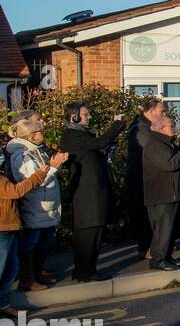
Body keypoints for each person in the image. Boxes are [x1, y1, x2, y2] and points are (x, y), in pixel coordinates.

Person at [59, 102, 127, 282]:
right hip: (87, 194)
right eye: (85, 114)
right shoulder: (74, 135)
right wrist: (116, 125)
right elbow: (98, 143)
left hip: (92, 191)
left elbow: (98, 145)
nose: (88, 117)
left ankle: (88, 269)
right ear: (74, 117)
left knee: (94, 232)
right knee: (88, 234)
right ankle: (84, 271)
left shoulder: (79, 134)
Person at [5, 117, 68, 288]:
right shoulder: (21, 155)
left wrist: (57, 164)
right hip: (35, 206)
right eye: (39, 131)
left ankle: (38, 274)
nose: (43, 133)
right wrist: (54, 168)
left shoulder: (37, 150)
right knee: (31, 243)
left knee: (44, 242)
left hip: (46, 204)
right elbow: (32, 181)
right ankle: (28, 279)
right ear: (31, 136)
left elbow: (46, 172)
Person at [1, 146, 64, 314]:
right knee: (3, 268)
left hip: (8, 226)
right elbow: (15, 191)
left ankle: (4, 304)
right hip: (2, 229)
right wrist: (40, 174)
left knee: (10, 268)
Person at [142, 116, 180, 270]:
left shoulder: (164, 144)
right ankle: (158, 260)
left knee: (169, 229)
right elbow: (170, 165)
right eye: (171, 126)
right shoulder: (154, 145)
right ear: (161, 128)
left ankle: (167, 256)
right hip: (161, 194)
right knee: (162, 229)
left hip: (170, 193)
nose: (174, 129)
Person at [125, 96, 167, 259]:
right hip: (140, 178)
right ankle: (146, 248)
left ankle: (150, 246)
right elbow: (151, 149)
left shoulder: (146, 126)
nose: (163, 115)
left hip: (146, 177)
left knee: (149, 214)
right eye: (161, 111)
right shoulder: (141, 128)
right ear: (150, 112)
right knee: (144, 215)